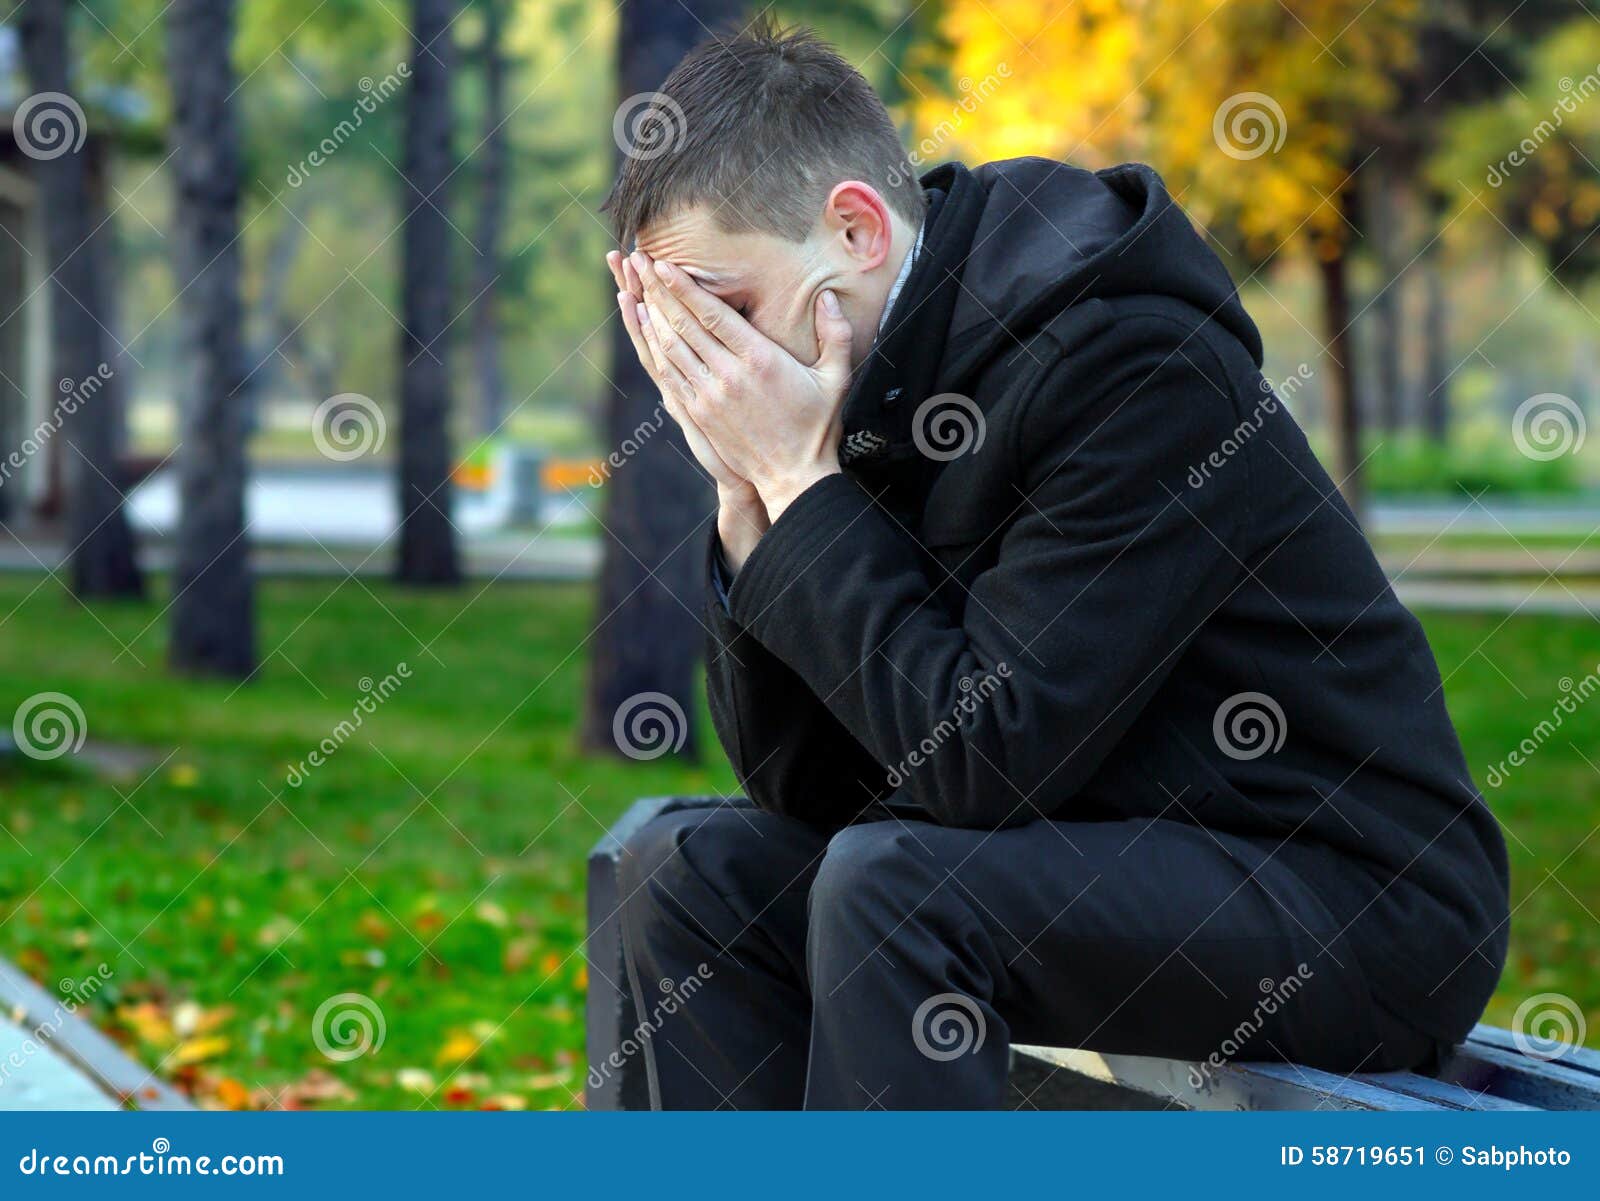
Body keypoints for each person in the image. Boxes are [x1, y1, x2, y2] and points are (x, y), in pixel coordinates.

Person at [600, 18, 1509, 1111]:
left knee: (895, 889)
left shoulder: (1131, 363)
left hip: (1346, 893)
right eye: (683, 334)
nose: (717, 371)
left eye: (729, 313)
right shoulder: (866, 375)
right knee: (690, 870)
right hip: (1097, 853)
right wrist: (752, 507)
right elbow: (806, 787)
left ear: (855, 229)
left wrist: (800, 483)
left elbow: (987, 760)